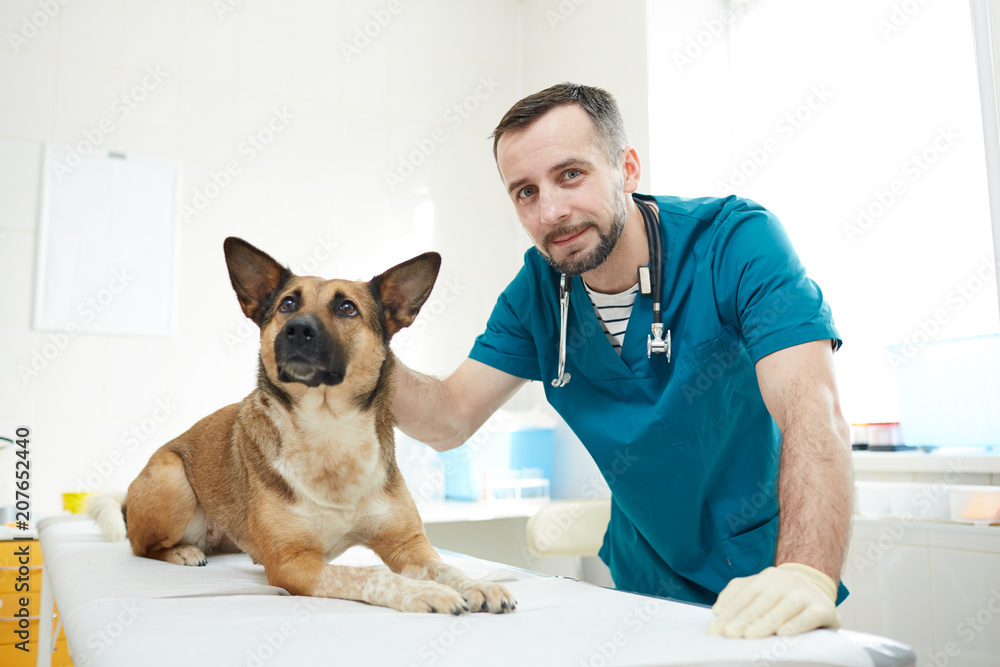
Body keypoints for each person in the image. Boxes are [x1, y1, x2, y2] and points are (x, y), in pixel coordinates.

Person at [390, 83, 853, 638]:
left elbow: (813, 411)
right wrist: (353, 353)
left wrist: (805, 572)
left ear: (627, 169)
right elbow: (449, 417)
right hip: (638, 585)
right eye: (525, 192)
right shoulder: (536, 292)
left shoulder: (735, 244)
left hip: (767, 581)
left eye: (570, 174)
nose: (553, 212)